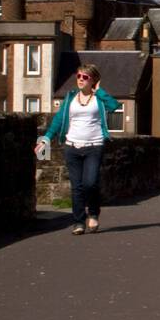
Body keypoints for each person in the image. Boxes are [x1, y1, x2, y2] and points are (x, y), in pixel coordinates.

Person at [37, 64, 121, 235]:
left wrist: (100, 91)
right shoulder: (70, 98)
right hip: (72, 147)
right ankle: (79, 222)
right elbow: (59, 120)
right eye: (79, 76)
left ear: (93, 81)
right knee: (77, 187)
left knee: (90, 183)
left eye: (85, 77)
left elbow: (114, 106)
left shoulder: (99, 99)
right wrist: (46, 138)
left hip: (94, 146)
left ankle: (94, 214)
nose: (81, 79)